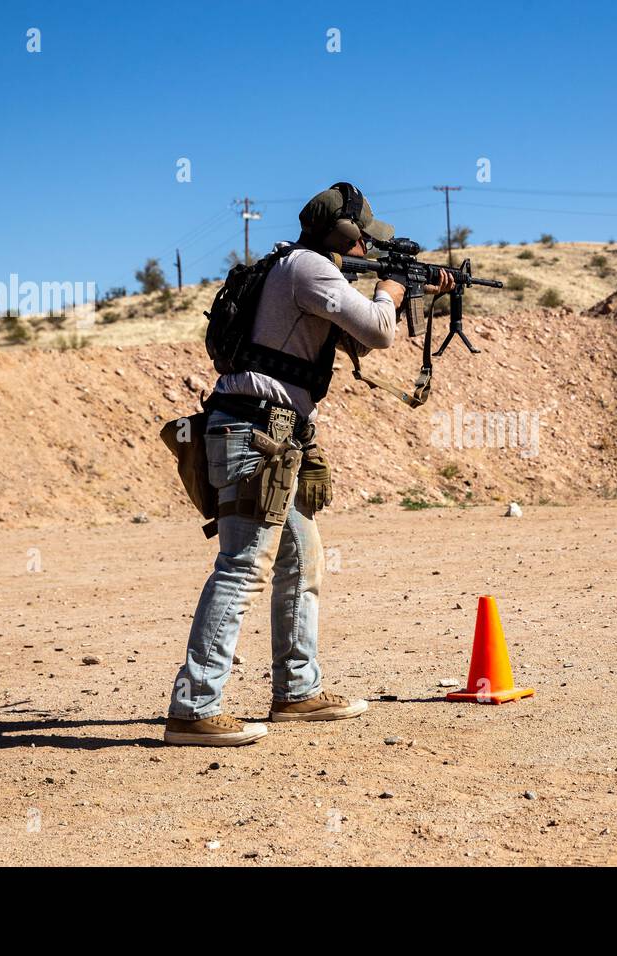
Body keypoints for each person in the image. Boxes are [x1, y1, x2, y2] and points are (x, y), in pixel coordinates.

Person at [163, 183, 453, 746]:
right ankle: (193, 706)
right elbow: (376, 329)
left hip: (275, 435)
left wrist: (411, 292)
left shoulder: (300, 269)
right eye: (364, 233)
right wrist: (393, 288)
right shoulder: (308, 267)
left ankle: (296, 692)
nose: (370, 243)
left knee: (300, 559)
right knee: (244, 564)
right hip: (255, 434)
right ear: (342, 233)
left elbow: (358, 341)